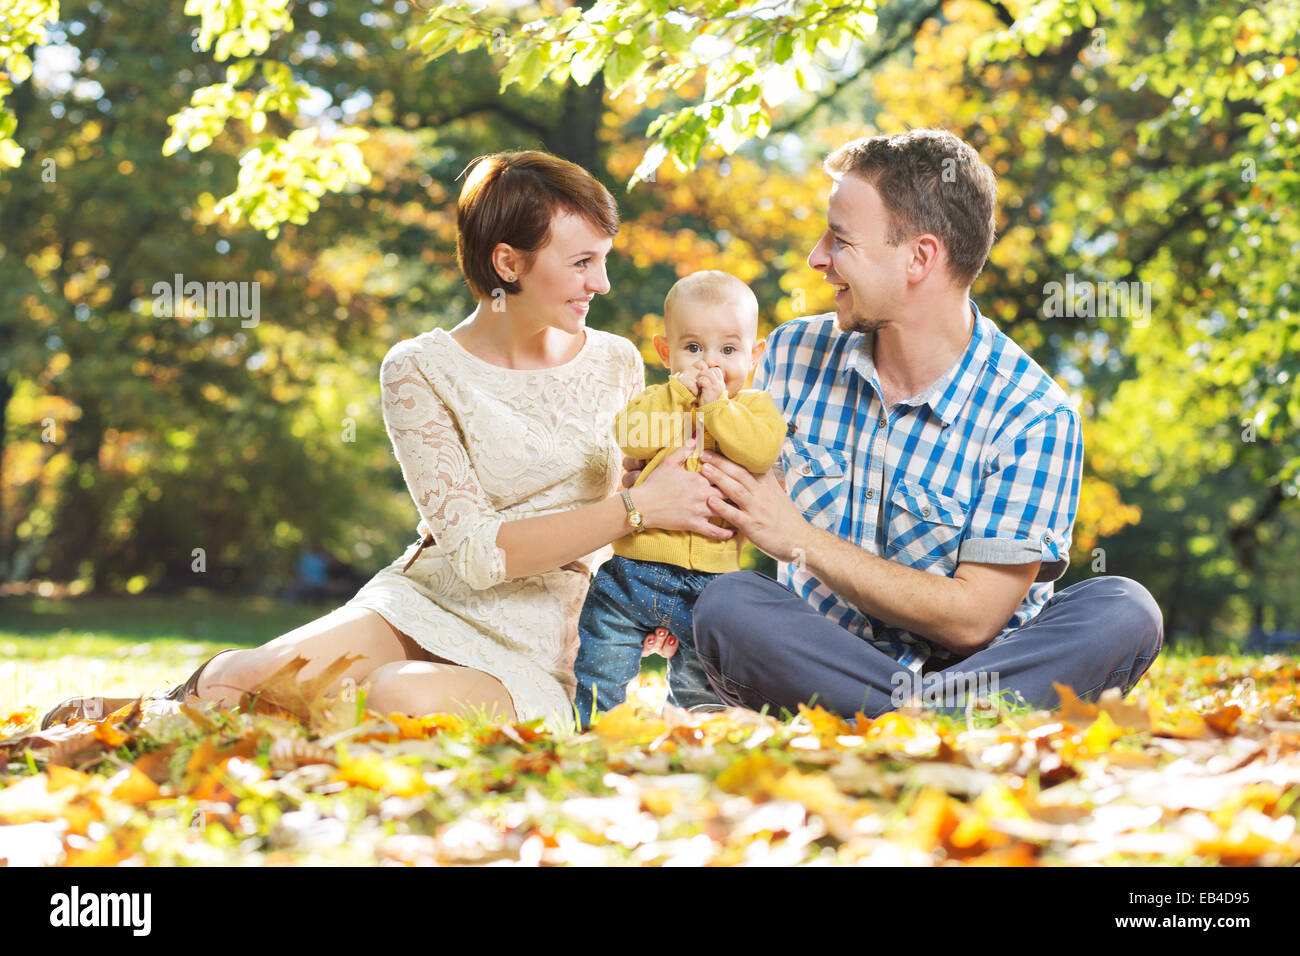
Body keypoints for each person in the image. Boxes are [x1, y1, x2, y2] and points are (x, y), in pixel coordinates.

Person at [41, 149, 732, 733]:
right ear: (508, 262)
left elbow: (638, 505)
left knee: (398, 695)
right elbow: (477, 554)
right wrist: (638, 511)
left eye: (603, 260)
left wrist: (656, 590)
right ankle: (136, 723)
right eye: (582, 263)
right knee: (240, 682)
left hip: (551, 629)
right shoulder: (419, 368)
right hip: (431, 597)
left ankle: (252, 727)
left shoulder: (614, 360)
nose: (601, 284)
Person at [653, 129, 1165, 718]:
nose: (818, 258)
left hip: (982, 666)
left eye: (840, 240)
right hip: (823, 657)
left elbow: (974, 619)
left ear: (920, 257)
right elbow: (704, 486)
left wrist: (800, 540)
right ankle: (951, 721)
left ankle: (911, 715)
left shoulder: (1034, 414)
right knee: (729, 602)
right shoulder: (789, 355)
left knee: (1125, 609)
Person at [573, 271, 785, 725]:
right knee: (603, 639)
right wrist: (675, 397)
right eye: (693, 348)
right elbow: (629, 437)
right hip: (636, 570)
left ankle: (702, 729)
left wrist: (716, 409)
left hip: (710, 586)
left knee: (704, 673)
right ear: (666, 353)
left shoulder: (755, 409)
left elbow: (760, 452)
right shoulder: (658, 400)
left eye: (728, 350)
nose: (708, 363)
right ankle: (599, 723)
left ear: (755, 355)